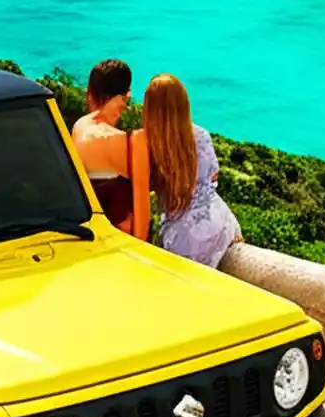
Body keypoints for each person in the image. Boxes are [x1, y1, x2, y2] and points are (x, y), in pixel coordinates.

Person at [137, 73, 243, 267]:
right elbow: (213, 176)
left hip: (182, 239)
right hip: (219, 225)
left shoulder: (145, 143)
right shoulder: (202, 135)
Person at [71, 59, 149, 238]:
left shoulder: (79, 126)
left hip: (85, 237)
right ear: (126, 96)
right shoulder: (127, 143)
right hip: (117, 242)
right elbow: (141, 217)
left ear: (90, 92)